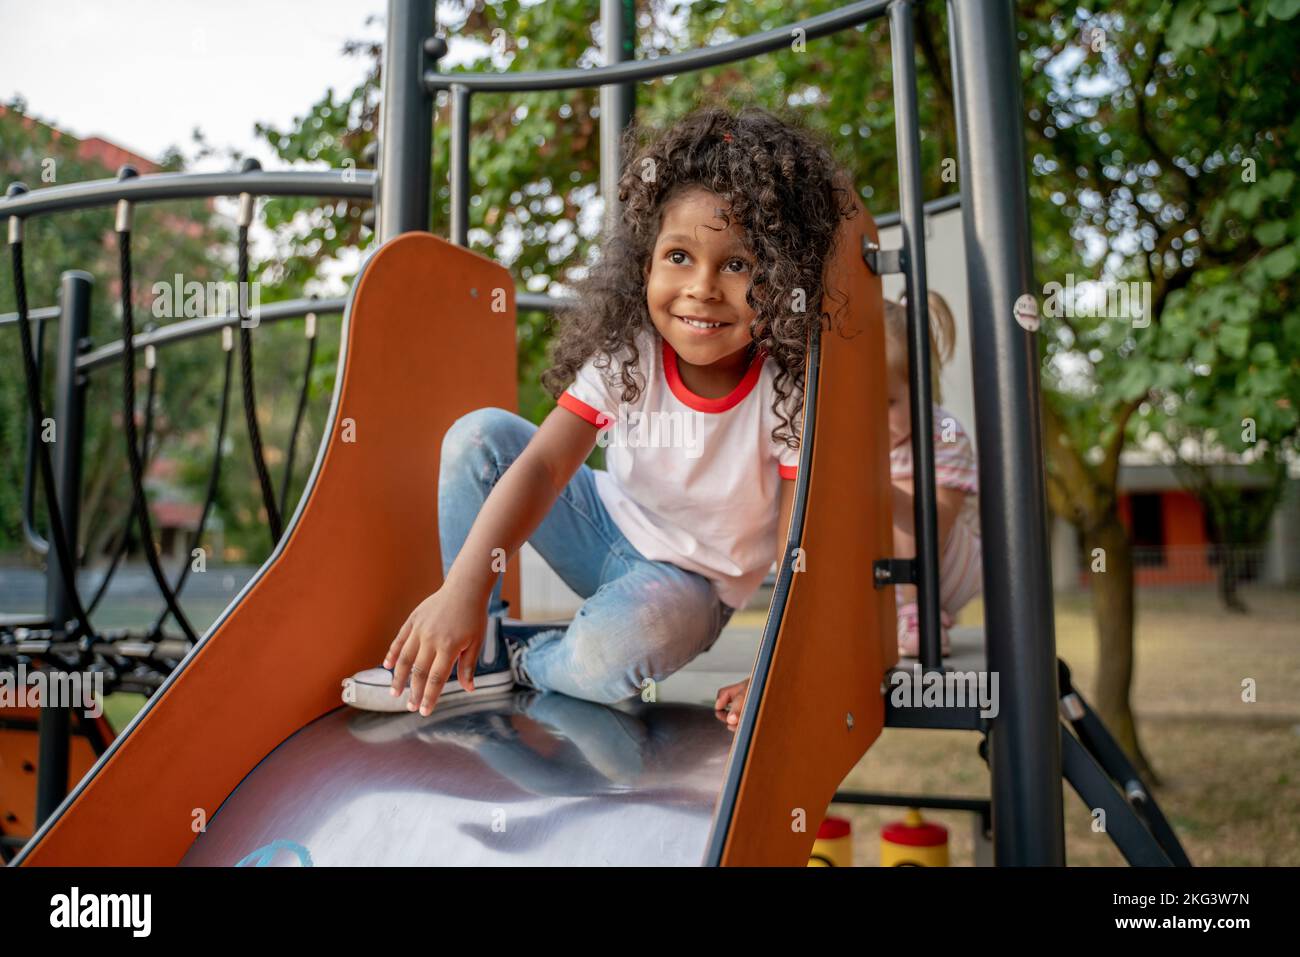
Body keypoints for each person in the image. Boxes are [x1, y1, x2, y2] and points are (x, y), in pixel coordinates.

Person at [341, 105, 860, 728]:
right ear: (645, 262)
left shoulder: (787, 391)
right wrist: (465, 589)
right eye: (679, 257)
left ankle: (526, 661)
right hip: (603, 523)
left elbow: (796, 540)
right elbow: (541, 464)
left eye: (738, 265)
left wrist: (781, 664)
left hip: (689, 589)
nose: (702, 287)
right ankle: (470, 645)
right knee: (480, 437)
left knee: (625, 640)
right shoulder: (630, 356)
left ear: (779, 278)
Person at [881, 291, 982, 658]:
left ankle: (918, 611)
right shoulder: (857, 434)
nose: (874, 415)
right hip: (884, 568)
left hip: (947, 567)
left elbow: (934, 522)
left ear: (921, 387)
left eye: (888, 402)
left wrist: (878, 486)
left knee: (904, 483)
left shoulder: (944, 434)